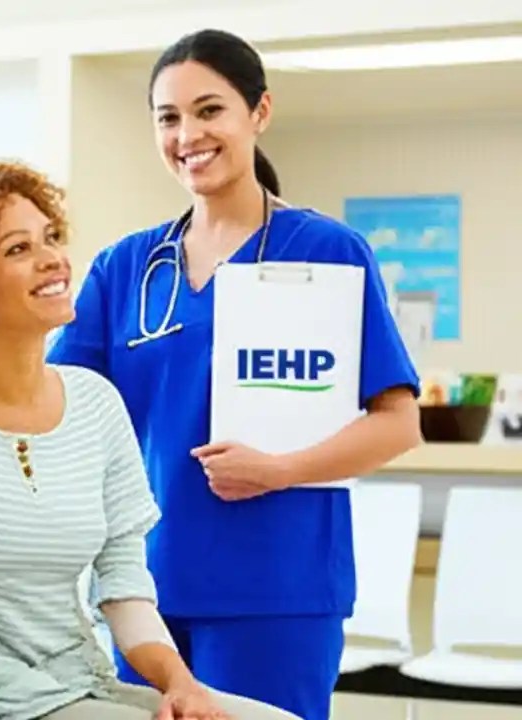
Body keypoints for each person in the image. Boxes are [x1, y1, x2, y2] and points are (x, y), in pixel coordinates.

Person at [46, 29, 422, 720]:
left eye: (209, 110)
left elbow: (398, 424)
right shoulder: (125, 266)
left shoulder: (327, 251)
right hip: (143, 592)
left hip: (276, 587)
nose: (188, 133)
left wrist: (281, 469)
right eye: (168, 117)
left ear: (260, 112)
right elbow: (58, 406)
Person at [0, 160, 296, 720]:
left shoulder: (94, 402)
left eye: (50, 237)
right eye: (17, 249)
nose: (53, 259)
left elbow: (123, 576)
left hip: (80, 682)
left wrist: (181, 684)